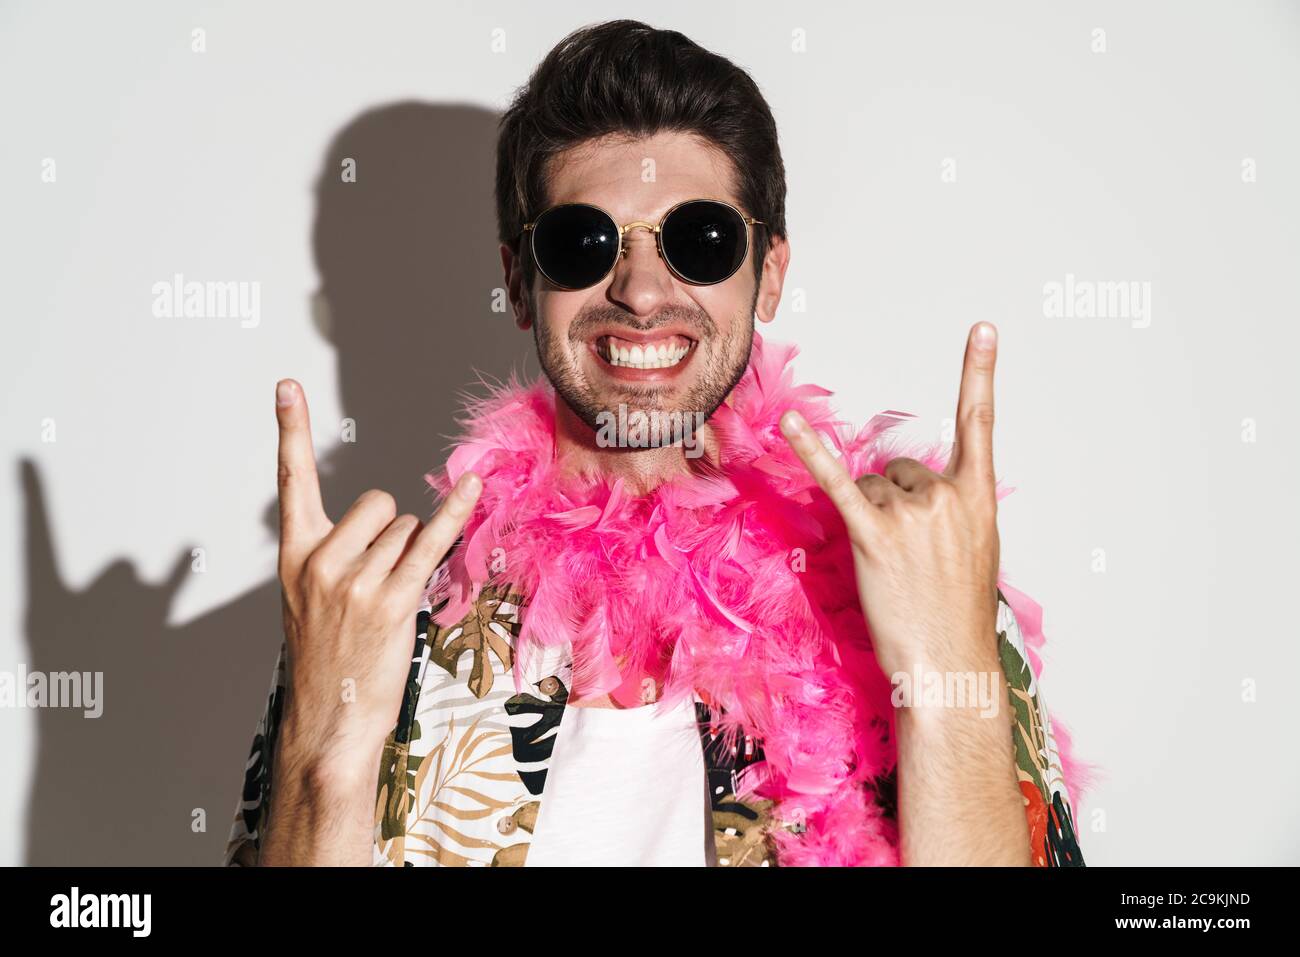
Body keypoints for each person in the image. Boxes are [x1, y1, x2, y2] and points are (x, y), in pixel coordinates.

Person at [224, 19, 1086, 868]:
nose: (640, 290)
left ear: (770, 272)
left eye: (700, 239)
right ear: (519, 286)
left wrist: (948, 669)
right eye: (581, 242)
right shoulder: (376, 620)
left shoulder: (913, 579)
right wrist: (321, 760)